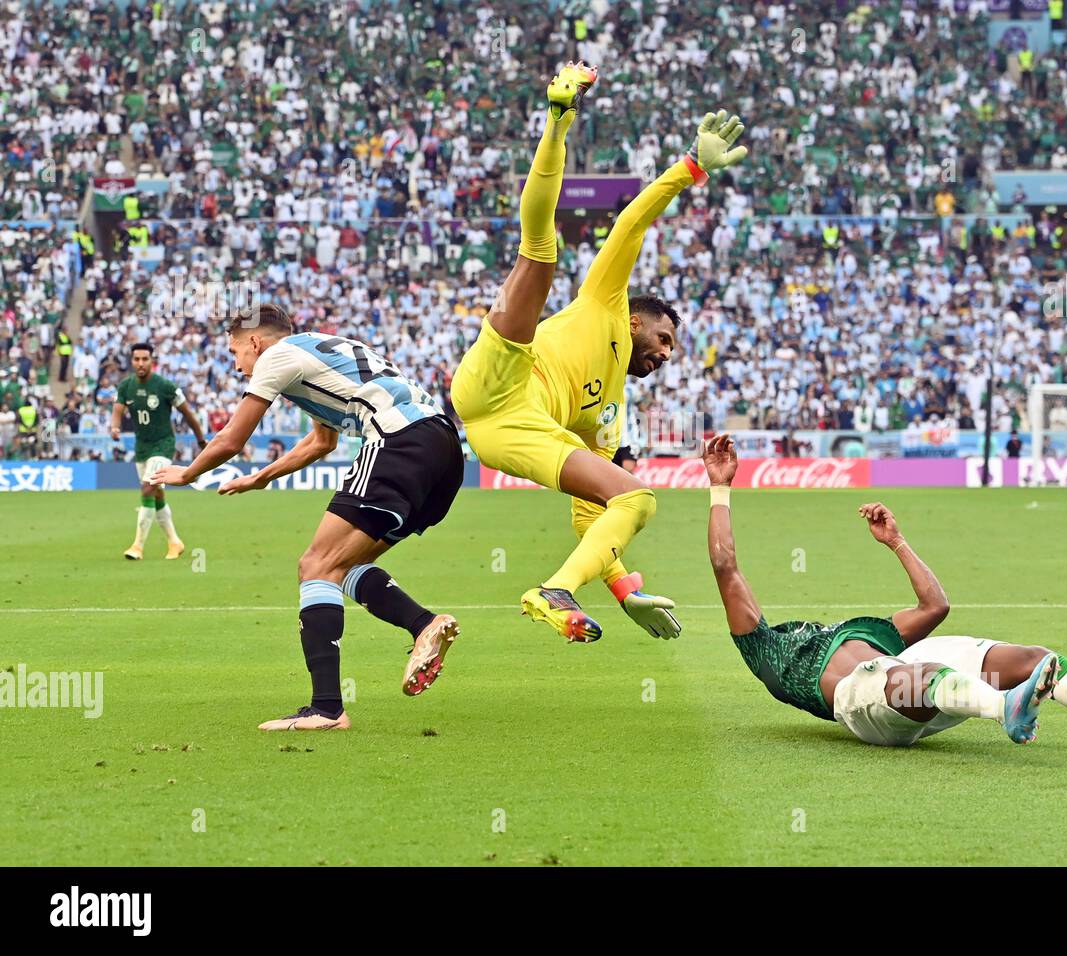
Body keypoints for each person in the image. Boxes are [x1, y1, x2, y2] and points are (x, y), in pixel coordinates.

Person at [451, 60, 748, 643]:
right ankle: (557, 118)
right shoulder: (607, 302)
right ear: (636, 320)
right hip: (502, 376)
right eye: (663, 339)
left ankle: (557, 591)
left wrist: (625, 590)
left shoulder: (610, 415)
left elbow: (595, 513)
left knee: (632, 497)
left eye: (671, 351)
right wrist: (688, 169)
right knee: (540, 254)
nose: (665, 354)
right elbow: (630, 225)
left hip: (505, 436)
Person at [700, 434, 1067, 759]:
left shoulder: (860, 632)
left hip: (914, 673)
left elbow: (935, 607)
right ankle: (1005, 710)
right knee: (922, 674)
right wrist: (720, 489)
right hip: (869, 702)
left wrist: (897, 543)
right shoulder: (764, 648)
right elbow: (725, 564)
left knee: (1036, 660)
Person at [150, 303, 464, 731]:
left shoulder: (276, 357)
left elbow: (231, 439)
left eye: (236, 352)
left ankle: (327, 709)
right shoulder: (315, 353)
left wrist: (187, 473)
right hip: (443, 448)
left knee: (315, 566)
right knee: (344, 565)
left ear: (255, 342)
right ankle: (425, 624)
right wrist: (261, 477)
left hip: (398, 441)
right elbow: (321, 442)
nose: (238, 365)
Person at [111, 343, 208, 559]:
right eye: (136, 359)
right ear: (131, 361)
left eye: (145, 359)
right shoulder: (126, 387)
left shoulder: (165, 386)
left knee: (148, 488)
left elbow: (188, 415)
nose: (141, 363)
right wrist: (114, 427)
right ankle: (175, 542)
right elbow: (117, 410)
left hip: (163, 445)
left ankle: (137, 546)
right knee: (156, 494)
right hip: (142, 447)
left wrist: (201, 440)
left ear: (152, 361)